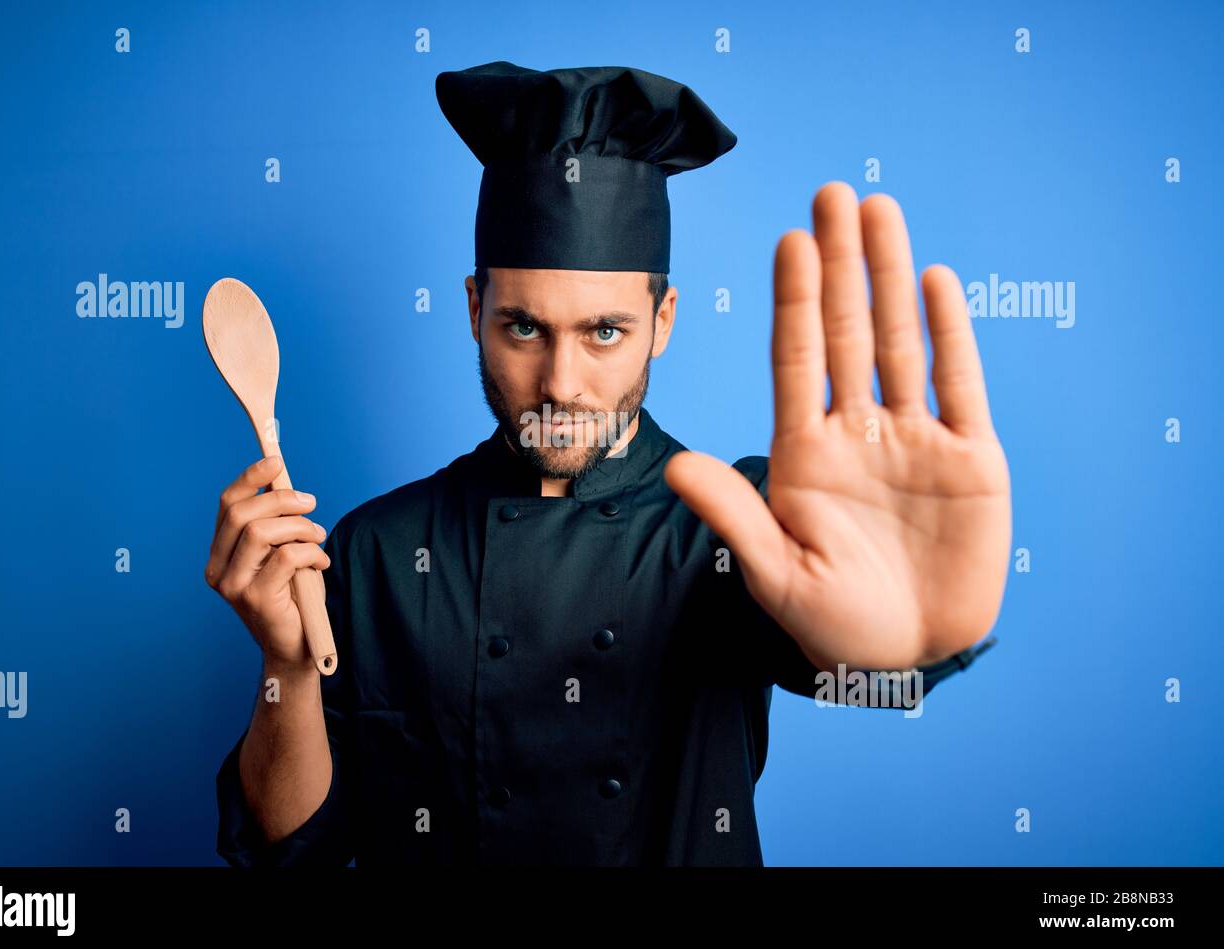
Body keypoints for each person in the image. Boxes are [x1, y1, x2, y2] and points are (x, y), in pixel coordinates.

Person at [205, 61, 1009, 866]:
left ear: (662, 320)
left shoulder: (739, 524)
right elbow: (289, 850)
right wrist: (287, 668)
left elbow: (864, 664)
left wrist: (917, 640)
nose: (560, 383)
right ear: (474, 311)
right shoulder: (376, 549)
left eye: (604, 332)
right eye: (523, 328)